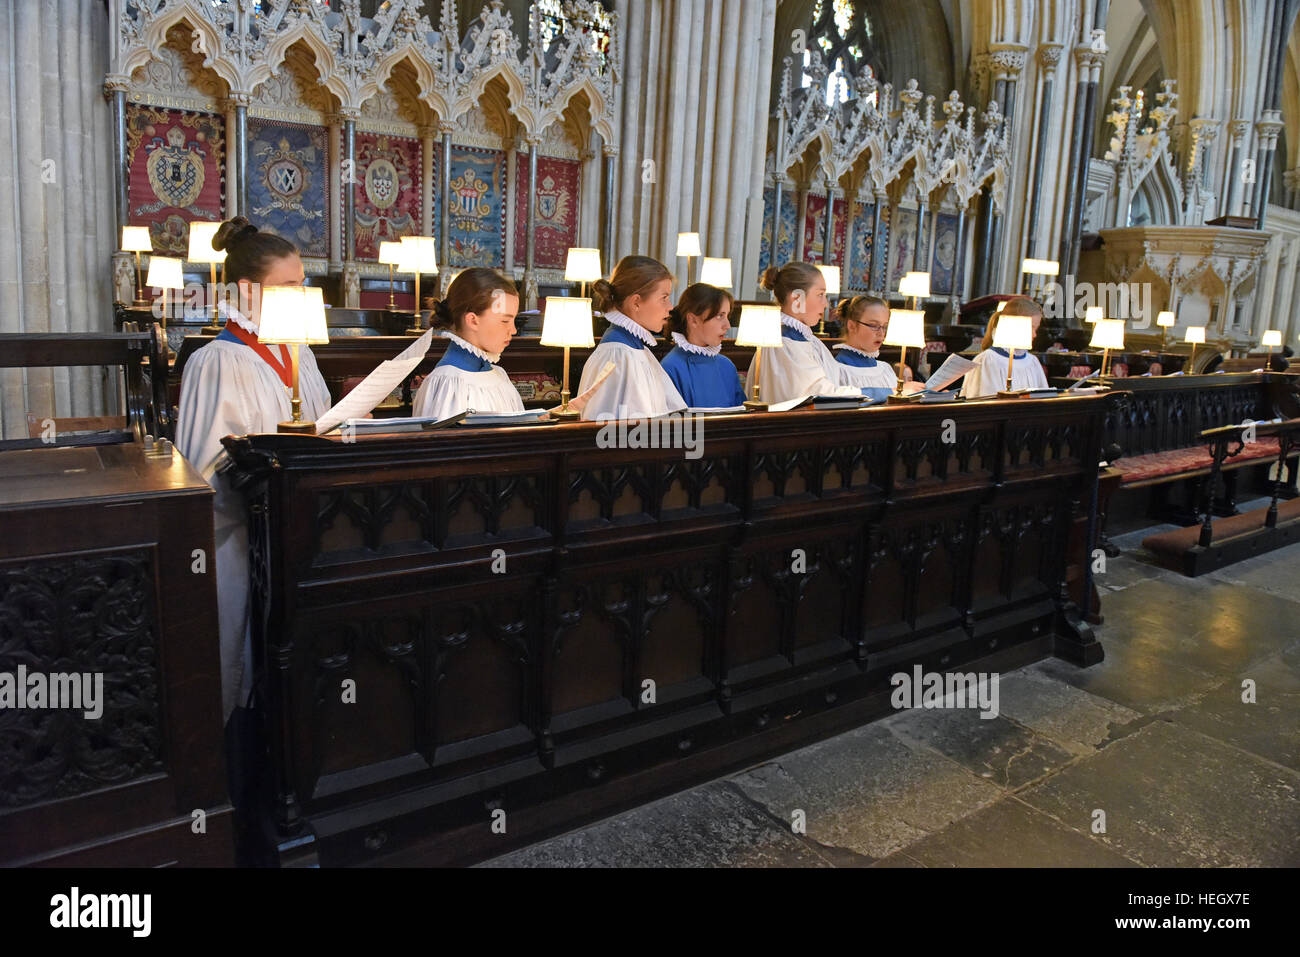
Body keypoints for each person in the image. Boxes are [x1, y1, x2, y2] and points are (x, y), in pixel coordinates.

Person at [176, 217, 332, 724]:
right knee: (240, 668)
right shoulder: (219, 359)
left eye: (304, 284)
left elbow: (320, 423)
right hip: (242, 540)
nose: (302, 295)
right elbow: (202, 471)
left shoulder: (300, 353)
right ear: (247, 289)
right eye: (289, 286)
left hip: (302, 530)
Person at [747, 262, 885, 404]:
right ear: (796, 298)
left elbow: (837, 378)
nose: (825, 304)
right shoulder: (787, 342)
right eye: (820, 294)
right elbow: (821, 395)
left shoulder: (806, 339)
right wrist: (885, 392)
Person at [578, 255, 686, 420]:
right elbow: (601, 430)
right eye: (664, 298)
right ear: (636, 302)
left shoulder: (636, 350)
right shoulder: (617, 354)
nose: (670, 307)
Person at [412, 268, 524, 419]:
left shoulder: (499, 376)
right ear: (472, 320)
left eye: (514, 320)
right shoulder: (447, 383)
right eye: (505, 321)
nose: (514, 330)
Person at [660, 282, 746, 408]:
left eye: (727, 315)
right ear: (693, 320)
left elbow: (743, 419)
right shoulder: (670, 368)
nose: (727, 325)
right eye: (720, 316)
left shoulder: (727, 366)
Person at [959, 296, 1050, 397]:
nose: (1034, 335)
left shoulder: (1032, 362)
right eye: (1031, 328)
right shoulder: (987, 360)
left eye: (1036, 329)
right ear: (1013, 325)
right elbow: (980, 402)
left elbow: (1043, 398)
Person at [833, 295, 900, 400]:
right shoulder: (838, 370)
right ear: (852, 326)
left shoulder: (886, 369)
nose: (881, 333)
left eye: (885, 326)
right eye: (874, 325)